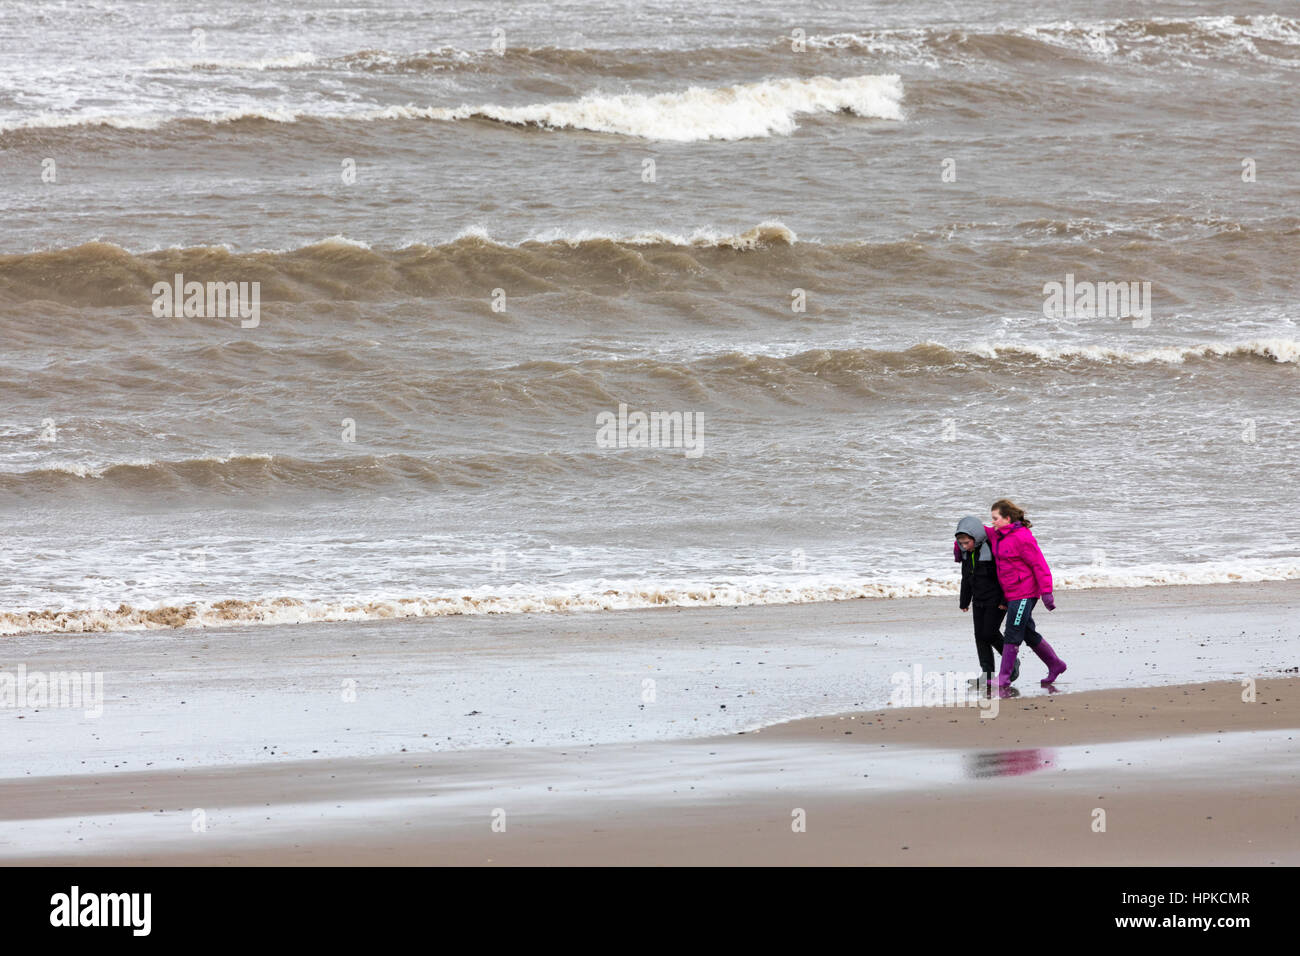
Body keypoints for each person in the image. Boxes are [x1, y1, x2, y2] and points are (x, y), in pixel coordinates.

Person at [987, 498, 1067, 690]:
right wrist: (963, 533)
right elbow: (975, 532)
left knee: (1013, 631)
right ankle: (1055, 664)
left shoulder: (1023, 537)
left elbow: (1039, 565)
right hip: (1012, 593)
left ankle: (1004, 676)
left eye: (995, 518)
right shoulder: (998, 535)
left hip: (1025, 593)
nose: (992, 522)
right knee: (1028, 633)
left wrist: (1047, 592)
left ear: (1007, 518)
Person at [953, 516, 1017, 685]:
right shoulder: (966, 554)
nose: (965, 546)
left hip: (996, 599)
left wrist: (1005, 599)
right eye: (962, 543)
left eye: (967, 542)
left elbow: (1005, 575)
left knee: (989, 633)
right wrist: (964, 601)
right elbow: (966, 578)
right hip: (978, 600)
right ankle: (987, 673)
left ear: (977, 537)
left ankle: (1011, 661)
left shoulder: (991, 549)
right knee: (979, 636)